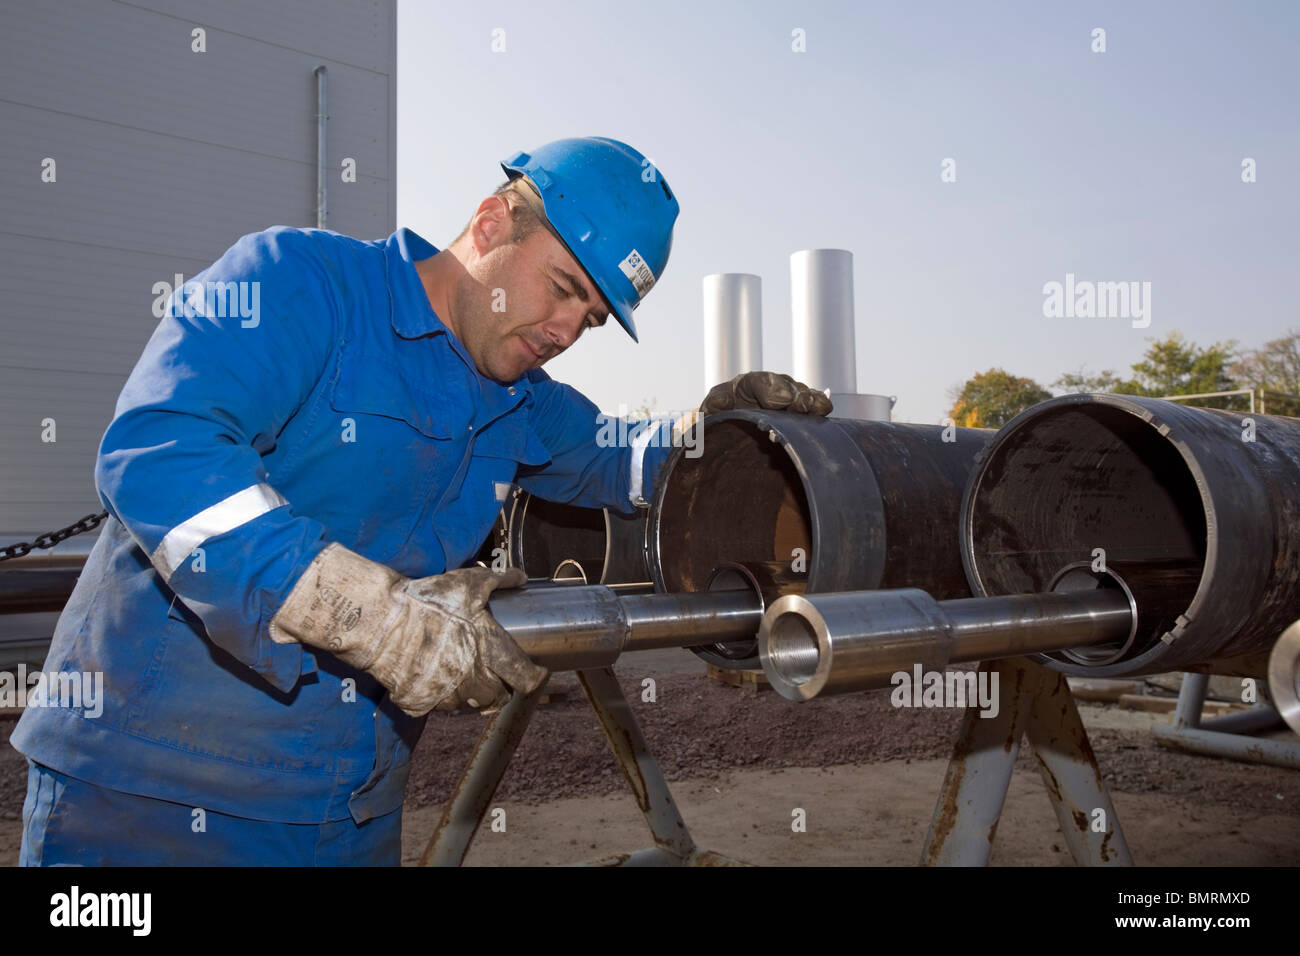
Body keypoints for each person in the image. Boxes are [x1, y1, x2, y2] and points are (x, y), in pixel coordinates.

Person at [12, 136, 831, 866]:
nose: (564, 329)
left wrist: (716, 430)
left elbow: (630, 462)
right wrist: (373, 617)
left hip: (346, 808)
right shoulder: (303, 283)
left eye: (590, 317)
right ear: (488, 225)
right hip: (150, 795)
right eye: (561, 286)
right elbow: (161, 449)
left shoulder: (524, 399)